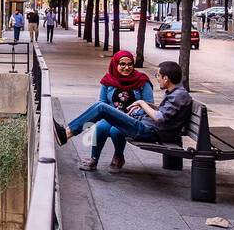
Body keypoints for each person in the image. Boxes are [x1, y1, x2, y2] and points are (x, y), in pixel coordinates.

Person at [55, 60, 193, 168]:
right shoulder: (176, 93)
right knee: (100, 106)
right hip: (147, 127)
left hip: (149, 131)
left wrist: (143, 103)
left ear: (166, 78)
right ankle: (66, 133)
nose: (157, 78)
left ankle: (66, 134)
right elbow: (164, 114)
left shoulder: (179, 95)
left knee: (102, 108)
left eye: (158, 75)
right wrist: (143, 106)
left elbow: (160, 118)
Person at [73, 51, 154, 171]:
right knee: (100, 127)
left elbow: (149, 104)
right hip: (111, 116)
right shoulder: (108, 80)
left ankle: (118, 156)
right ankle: (94, 159)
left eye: (130, 64)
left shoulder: (142, 81)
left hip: (133, 119)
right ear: (115, 64)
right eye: (122, 64)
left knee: (116, 130)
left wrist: (136, 111)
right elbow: (102, 102)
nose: (127, 67)